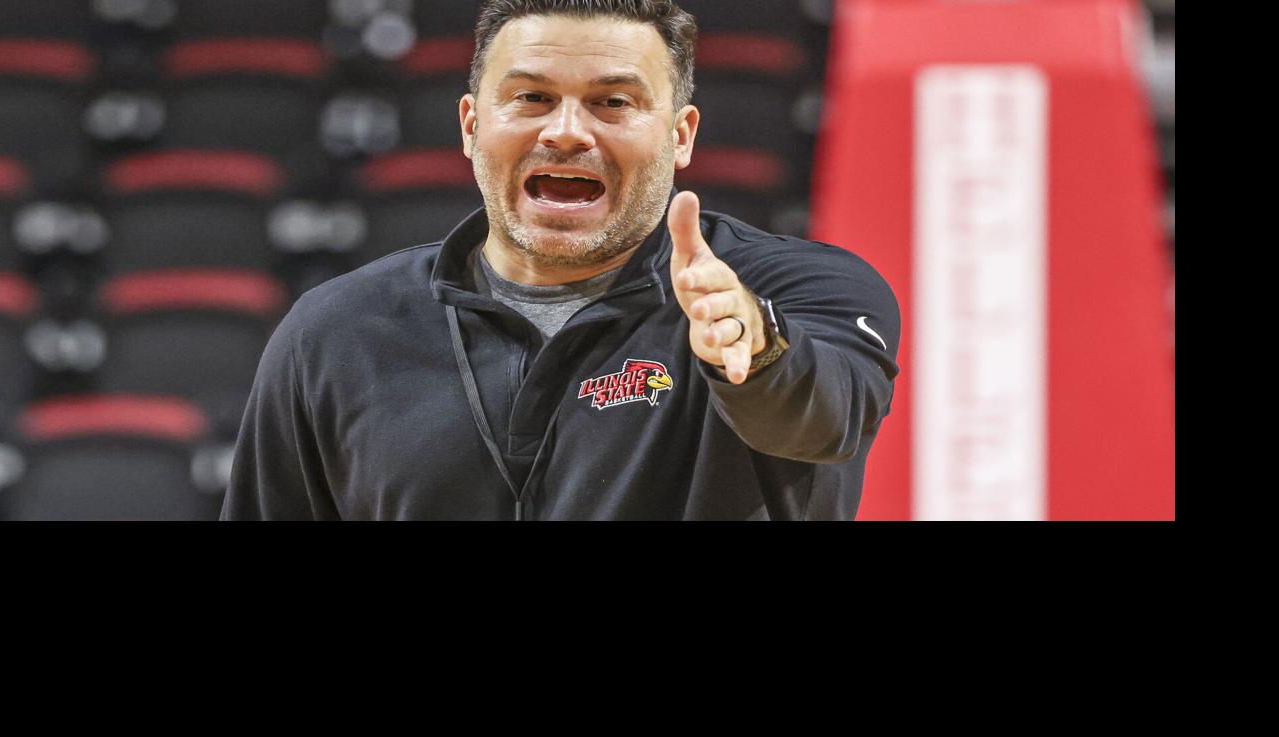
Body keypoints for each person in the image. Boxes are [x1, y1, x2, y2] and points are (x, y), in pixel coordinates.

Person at [221, 0, 900, 520]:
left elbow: (822, 417)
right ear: (470, 125)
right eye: (531, 97)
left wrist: (757, 347)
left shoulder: (802, 287)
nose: (567, 131)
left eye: (613, 102)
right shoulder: (335, 331)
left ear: (680, 134)